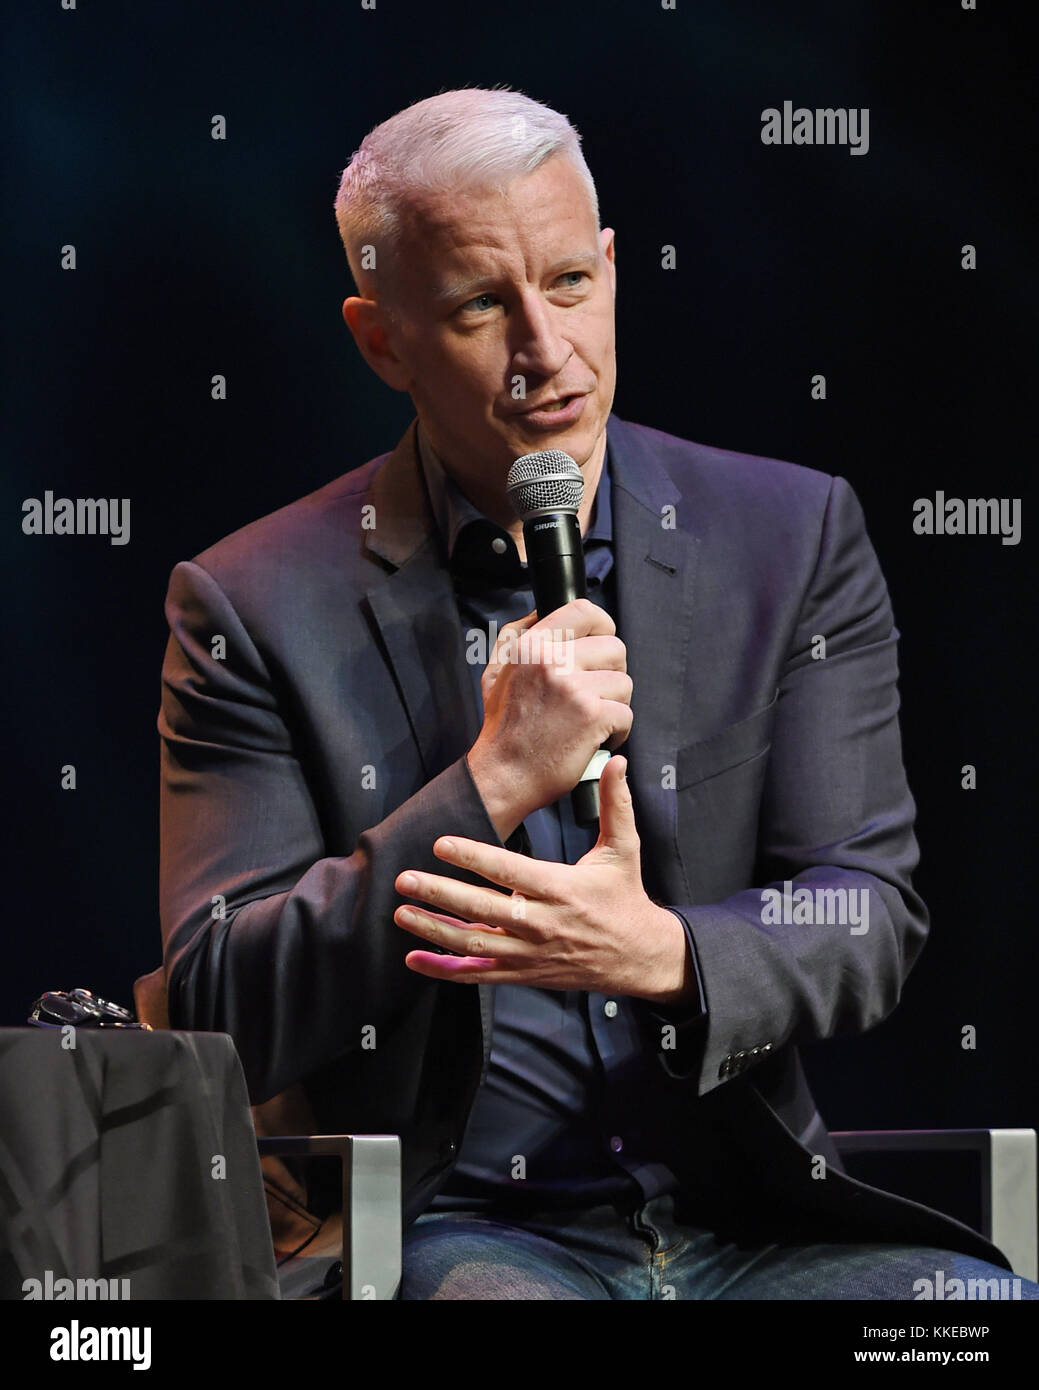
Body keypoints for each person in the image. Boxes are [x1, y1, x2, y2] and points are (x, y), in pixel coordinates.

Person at [158, 87, 1036, 1300]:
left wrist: (669, 954)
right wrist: (489, 783)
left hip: (759, 1224)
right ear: (382, 338)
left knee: (977, 1317)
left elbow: (867, 910)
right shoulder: (252, 603)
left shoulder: (790, 536)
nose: (545, 353)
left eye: (569, 283)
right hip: (457, 1229)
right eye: (480, 305)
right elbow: (216, 1006)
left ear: (613, 267)